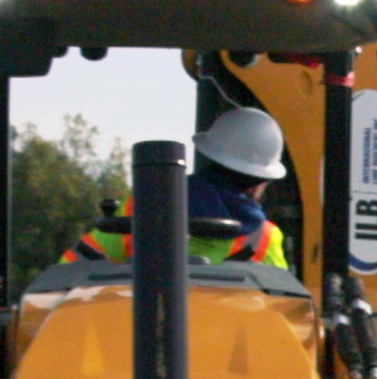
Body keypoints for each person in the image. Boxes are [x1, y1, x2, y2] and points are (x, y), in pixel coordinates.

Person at [65, 108, 295, 269]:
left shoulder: (140, 207)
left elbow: (73, 266)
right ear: (258, 182)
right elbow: (283, 304)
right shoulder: (263, 237)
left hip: (131, 331)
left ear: (211, 157)